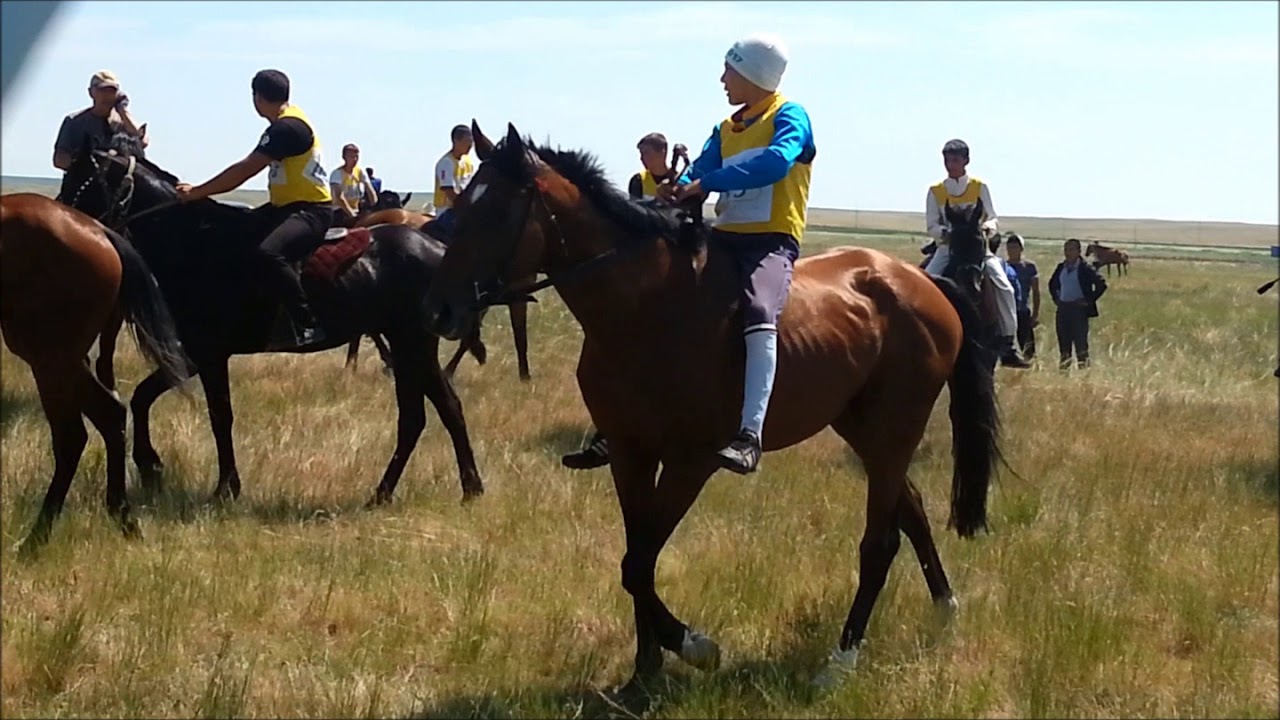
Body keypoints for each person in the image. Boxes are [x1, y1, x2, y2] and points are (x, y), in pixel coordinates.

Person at [174, 69, 334, 349]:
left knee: (269, 252)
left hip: (311, 212)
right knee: (229, 225)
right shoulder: (284, 124)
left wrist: (198, 191)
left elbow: (245, 170)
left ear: (257, 98)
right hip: (284, 208)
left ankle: (306, 323)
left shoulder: (288, 128)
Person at [923, 139, 1029, 368]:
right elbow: (931, 225)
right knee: (923, 284)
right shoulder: (936, 191)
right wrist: (947, 233)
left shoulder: (979, 187)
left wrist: (987, 229)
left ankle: (1007, 343)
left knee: (1005, 287)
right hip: (948, 248)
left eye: (955, 159)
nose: (950, 164)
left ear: (966, 161)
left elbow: (992, 216)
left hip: (977, 248)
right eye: (947, 160)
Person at [52, 70, 149, 171]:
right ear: (91, 92)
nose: (107, 95)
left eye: (112, 91)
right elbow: (59, 160)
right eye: (102, 90)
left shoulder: (124, 122)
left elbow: (142, 141)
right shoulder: (75, 122)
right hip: (86, 180)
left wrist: (123, 110)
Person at [1048, 238, 1107, 369]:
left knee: (1081, 348)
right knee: (1064, 348)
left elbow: (1101, 284)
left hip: (1079, 311)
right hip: (1063, 310)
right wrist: (1057, 299)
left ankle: (1084, 378)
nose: (1068, 253)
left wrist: (1088, 300)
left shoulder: (1085, 268)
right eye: (1066, 250)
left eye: (1071, 250)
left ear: (1078, 251)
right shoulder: (1061, 267)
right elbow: (1052, 284)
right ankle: (1063, 377)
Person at [431, 124, 476, 237]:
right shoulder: (446, 163)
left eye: (472, 142)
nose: (470, 145)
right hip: (447, 211)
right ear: (456, 141)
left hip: (463, 207)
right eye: (467, 141)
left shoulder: (468, 162)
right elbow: (450, 192)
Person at [1005, 233, 1040, 359]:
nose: (1011, 251)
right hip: (1007, 311)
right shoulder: (1003, 267)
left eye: (1014, 248)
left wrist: (1035, 314)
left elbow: (1036, 291)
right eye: (1009, 248)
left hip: (1023, 311)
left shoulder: (1029, 267)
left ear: (1021, 249)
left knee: (1027, 346)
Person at [329, 143, 378, 218]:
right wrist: (351, 213)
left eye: (356, 156)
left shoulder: (360, 171)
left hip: (356, 209)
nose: (355, 159)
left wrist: (374, 207)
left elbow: (370, 190)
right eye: (351, 157)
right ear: (344, 157)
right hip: (340, 211)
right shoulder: (337, 174)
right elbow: (339, 197)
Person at [628, 132, 678, 200]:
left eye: (646, 153)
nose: (641, 158)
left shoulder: (679, 179)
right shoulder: (638, 180)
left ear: (662, 152)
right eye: (641, 154)